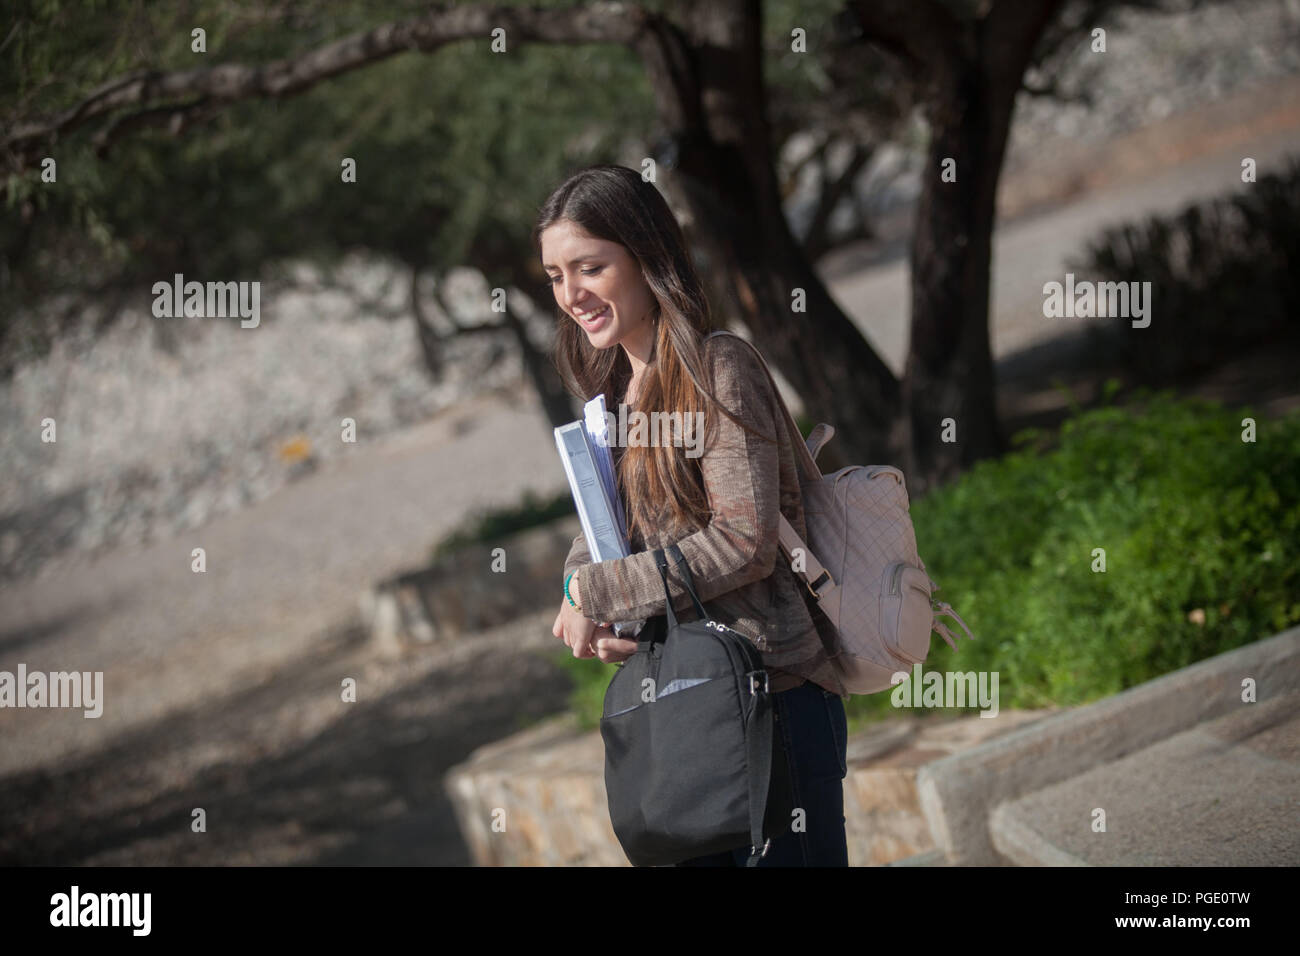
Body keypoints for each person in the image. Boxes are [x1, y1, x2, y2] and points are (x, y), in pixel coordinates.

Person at [537, 164, 849, 867]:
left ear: (648, 257)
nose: (572, 295)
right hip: (682, 704)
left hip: (772, 700)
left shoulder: (717, 367)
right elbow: (605, 536)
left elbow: (745, 541)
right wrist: (580, 590)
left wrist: (602, 591)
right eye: (556, 276)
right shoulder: (611, 390)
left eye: (590, 268)